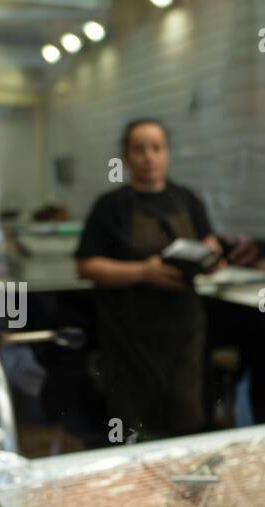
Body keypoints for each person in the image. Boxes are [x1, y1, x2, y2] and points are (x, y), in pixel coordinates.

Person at [75, 118, 254, 439]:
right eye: (139, 149)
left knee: (185, 419)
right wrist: (144, 271)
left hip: (183, 330)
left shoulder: (187, 199)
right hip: (129, 336)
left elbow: (209, 245)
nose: (149, 157)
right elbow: (87, 266)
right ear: (126, 158)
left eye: (157, 148)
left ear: (167, 154)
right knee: (135, 424)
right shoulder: (110, 207)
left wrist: (211, 257)